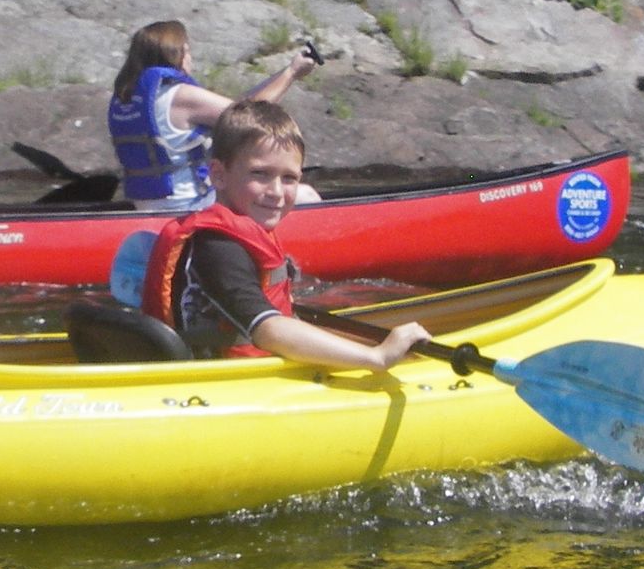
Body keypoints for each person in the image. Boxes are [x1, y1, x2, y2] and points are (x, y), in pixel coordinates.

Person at [140, 100, 432, 368]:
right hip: (221, 385)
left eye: (289, 178)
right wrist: (375, 356)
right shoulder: (218, 246)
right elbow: (268, 329)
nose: (276, 192)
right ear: (219, 175)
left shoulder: (240, 232)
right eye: (260, 174)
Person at [107, 19, 321, 212]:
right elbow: (248, 116)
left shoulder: (129, 98)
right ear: (177, 55)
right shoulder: (180, 96)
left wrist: (285, 72)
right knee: (306, 196)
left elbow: (240, 105)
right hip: (189, 206)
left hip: (147, 206)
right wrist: (291, 73)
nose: (190, 59)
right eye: (187, 52)